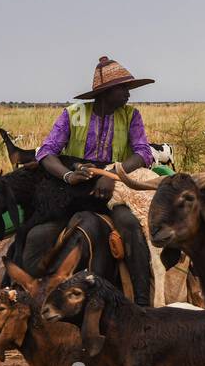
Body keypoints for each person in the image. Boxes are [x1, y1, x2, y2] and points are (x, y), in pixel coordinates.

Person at [31, 56, 156, 320]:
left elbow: (144, 152)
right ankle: (20, 295)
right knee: (34, 234)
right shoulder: (72, 115)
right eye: (123, 88)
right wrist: (67, 176)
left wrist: (113, 173)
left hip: (116, 192)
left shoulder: (131, 116)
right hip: (75, 193)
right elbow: (46, 152)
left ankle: (144, 305)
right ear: (106, 92)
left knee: (131, 227)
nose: (128, 93)